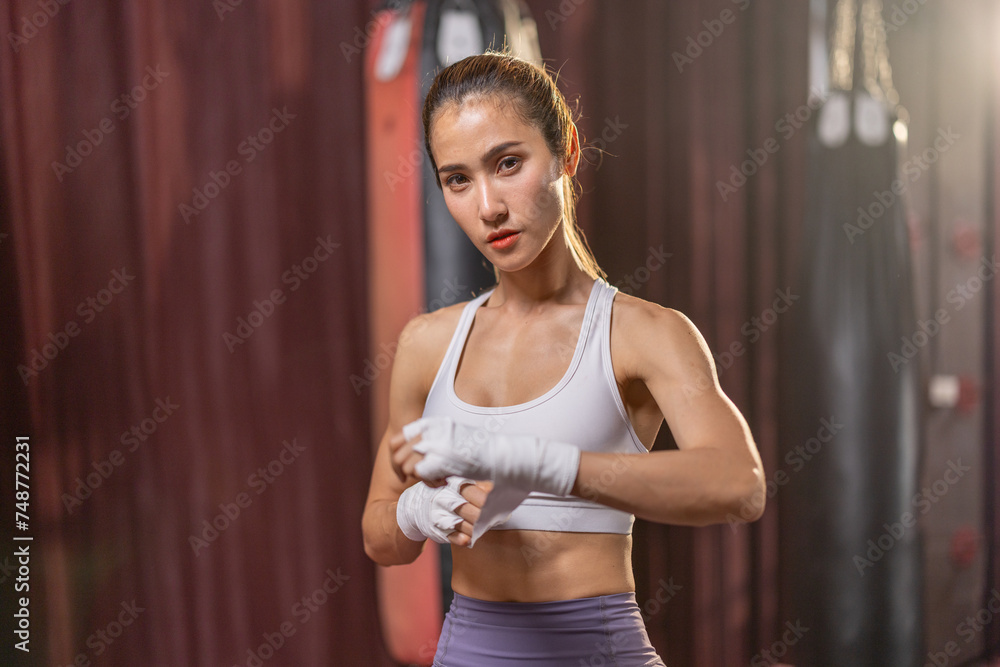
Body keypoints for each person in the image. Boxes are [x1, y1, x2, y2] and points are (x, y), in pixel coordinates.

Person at [362, 51, 766, 667]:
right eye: (458, 179)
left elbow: (739, 485)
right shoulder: (425, 344)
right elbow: (379, 534)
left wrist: (540, 463)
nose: (489, 206)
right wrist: (418, 512)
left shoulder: (643, 334)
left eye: (508, 163)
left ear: (567, 151)